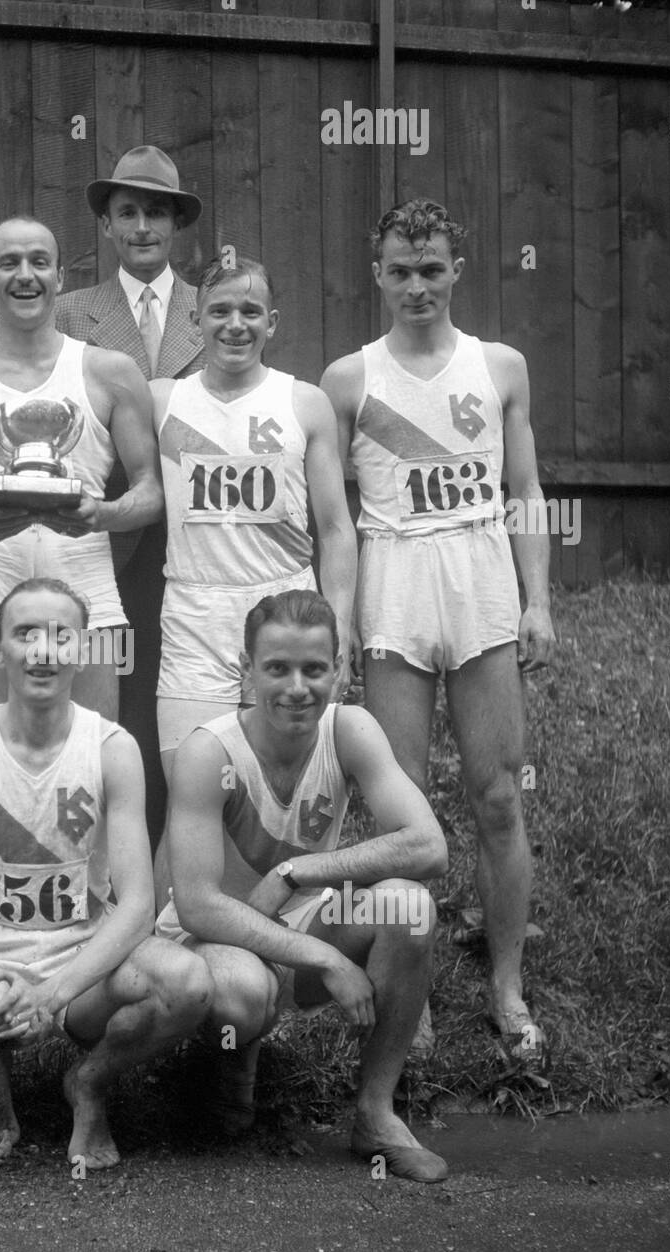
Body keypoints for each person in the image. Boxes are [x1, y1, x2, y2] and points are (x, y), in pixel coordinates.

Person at [0, 577, 211, 1169]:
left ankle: (90, 1081)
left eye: (60, 636)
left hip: (83, 966)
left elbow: (136, 908)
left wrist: (53, 994)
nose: (43, 650)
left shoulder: (112, 748)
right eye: (26, 634)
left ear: (81, 650)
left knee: (189, 983)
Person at [320, 198, 556, 1060]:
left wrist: (536, 598)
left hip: (479, 573)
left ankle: (505, 984)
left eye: (432, 269)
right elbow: (334, 515)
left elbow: (526, 492)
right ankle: (408, 990)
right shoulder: (349, 379)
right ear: (377, 274)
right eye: (400, 271)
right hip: (396, 577)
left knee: (497, 794)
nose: (417, 286)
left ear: (457, 268)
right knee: (401, 803)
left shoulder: (499, 367)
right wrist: (340, 620)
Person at [161, 590, 450, 1182]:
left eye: (314, 669)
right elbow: (194, 905)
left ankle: (375, 1113)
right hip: (216, 941)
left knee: (411, 908)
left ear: (339, 672)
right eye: (277, 668)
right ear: (246, 669)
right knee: (242, 995)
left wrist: (299, 871)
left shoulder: (350, 729)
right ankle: (232, 1058)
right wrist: (326, 958)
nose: (297, 687)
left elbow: (428, 846)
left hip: (301, 915)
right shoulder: (208, 750)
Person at [151, 255, 356, 905]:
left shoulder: (304, 403)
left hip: (283, 614)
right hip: (193, 615)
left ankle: (273, 949)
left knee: (278, 803)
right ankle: (168, 955)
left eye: (249, 312)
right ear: (195, 319)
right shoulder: (161, 401)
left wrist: (340, 627)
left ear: (272, 321)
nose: (235, 325)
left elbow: (337, 527)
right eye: (219, 311)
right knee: (193, 793)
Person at [0, 217, 162, 721]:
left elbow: (151, 494)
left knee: (91, 765)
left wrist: (102, 515)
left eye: (39, 262)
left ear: (61, 278)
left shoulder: (111, 372)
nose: (25, 275)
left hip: (88, 593)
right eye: (9, 263)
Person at [56, 145, 206, 847]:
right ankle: (107, 853)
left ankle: (184, 856)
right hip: (102, 533)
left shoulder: (221, 313)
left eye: (156, 212)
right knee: (110, 695)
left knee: (180, 698)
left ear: (177, 225)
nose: (142, 226)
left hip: (197, 539)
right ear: (108, 227)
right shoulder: (67, 313)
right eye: (127, 213)